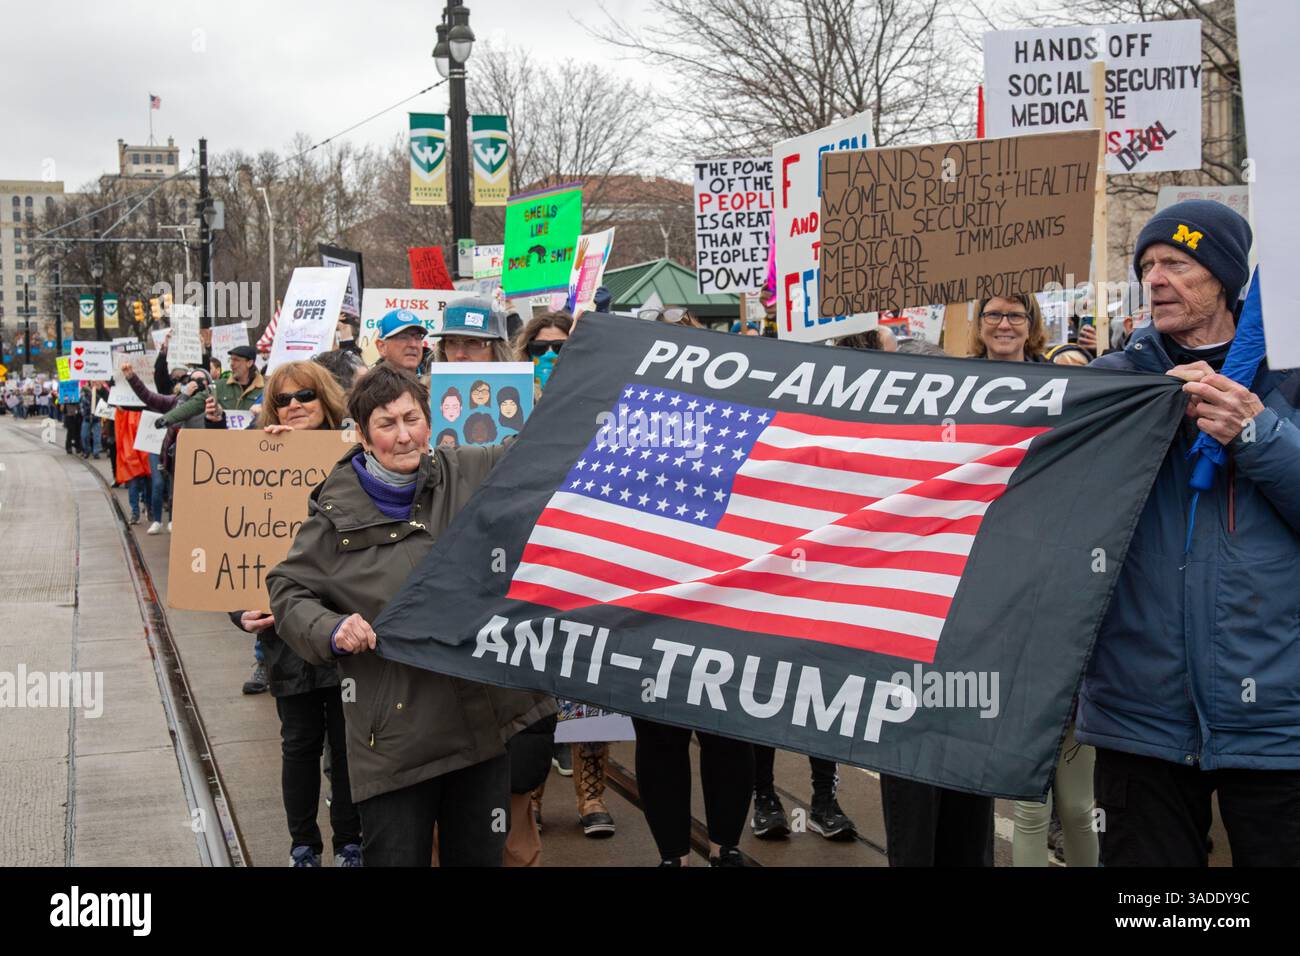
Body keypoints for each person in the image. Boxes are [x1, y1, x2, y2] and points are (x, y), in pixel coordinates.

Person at [1078, 200, 1300, 866]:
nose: (1156, 279)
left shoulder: (1288, 383)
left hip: (1277, 715)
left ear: (1225, 279)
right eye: (1147, 265)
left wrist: (1255, 432)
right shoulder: (1114, 384)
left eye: (1176, 262)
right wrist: (1142, 426)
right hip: (1139, 716)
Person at [267, 365, 554, 866]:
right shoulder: (333, 516)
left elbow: (533, 455)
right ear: (361, 434)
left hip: (476, 731)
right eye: (386, 423)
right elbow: (286, 589)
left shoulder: (463, 470)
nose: (403, 436)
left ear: (428, 421)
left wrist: (576, 376)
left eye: (412, 419)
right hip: (393, 744)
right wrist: (331, 627)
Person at [230, 360, 361, 867]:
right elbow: (233, 550)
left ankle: (351, 842)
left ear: (325, 398)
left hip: (345, 622)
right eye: (283, 399)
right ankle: (303, 846)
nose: (294, 406)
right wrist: (241, 613)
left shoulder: (355, 453)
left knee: (349, 745)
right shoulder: (253, 457)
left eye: (304, 395)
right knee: (300, 743)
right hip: (286, 635)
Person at [162, 345, 265, 430]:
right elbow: (194, 404)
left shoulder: (267, 389)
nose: (232, 364)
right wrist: (166, 419)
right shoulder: (219, 386)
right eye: (231, 360)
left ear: (249, 363)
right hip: (224, 445)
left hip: (253, 446)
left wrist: (263, 410)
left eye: (236, 360)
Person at [967, 293, 1048, 363]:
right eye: (994, 314)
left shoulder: (1055, 376)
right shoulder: (959, 376)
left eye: (1015, 315)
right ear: (979, 325)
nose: (1004, 326)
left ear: (1030, 327)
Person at [434, 298, 512, 363]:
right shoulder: (430, 382)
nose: (459, 355)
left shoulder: (517, 381)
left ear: (498, 349)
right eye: (451, 342)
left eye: (473, 342)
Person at [373, 309, 427, 375]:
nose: (413, 344)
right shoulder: (368, 384)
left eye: (417, 338)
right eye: (403, 337)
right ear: (382, 347)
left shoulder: (434, 382)